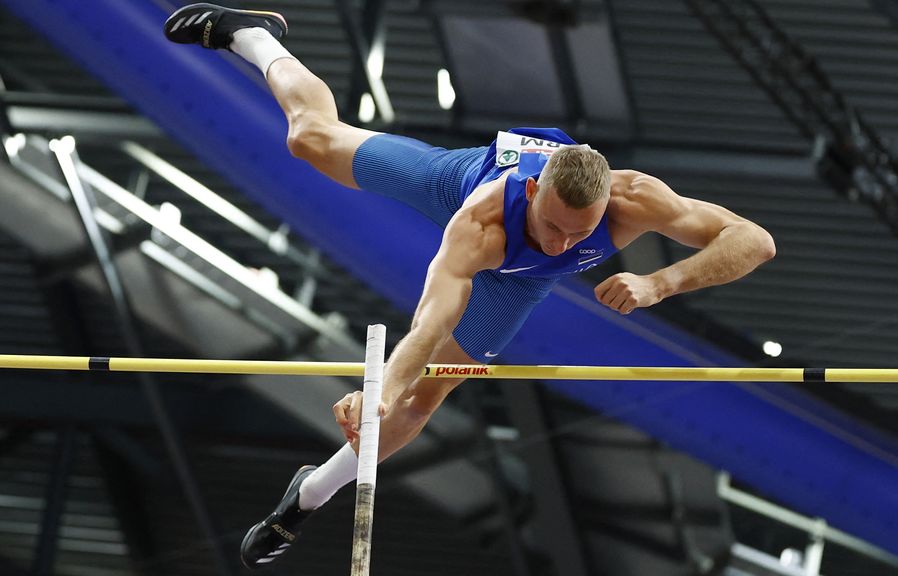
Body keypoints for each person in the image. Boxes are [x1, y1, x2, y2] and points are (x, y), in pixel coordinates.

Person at [164, 3, 776, 569]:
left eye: (579, 233)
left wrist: (661, 282)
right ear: (534, 191)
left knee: (424, 400)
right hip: (455, 183)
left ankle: (307, 496)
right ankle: (252, 37)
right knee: (309, 140)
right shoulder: (479, 225)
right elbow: (431, 321)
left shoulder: (633, 198)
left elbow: (753, 240)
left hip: (518, 286)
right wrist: (379, 388)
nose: (564, 244)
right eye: (555, 228)